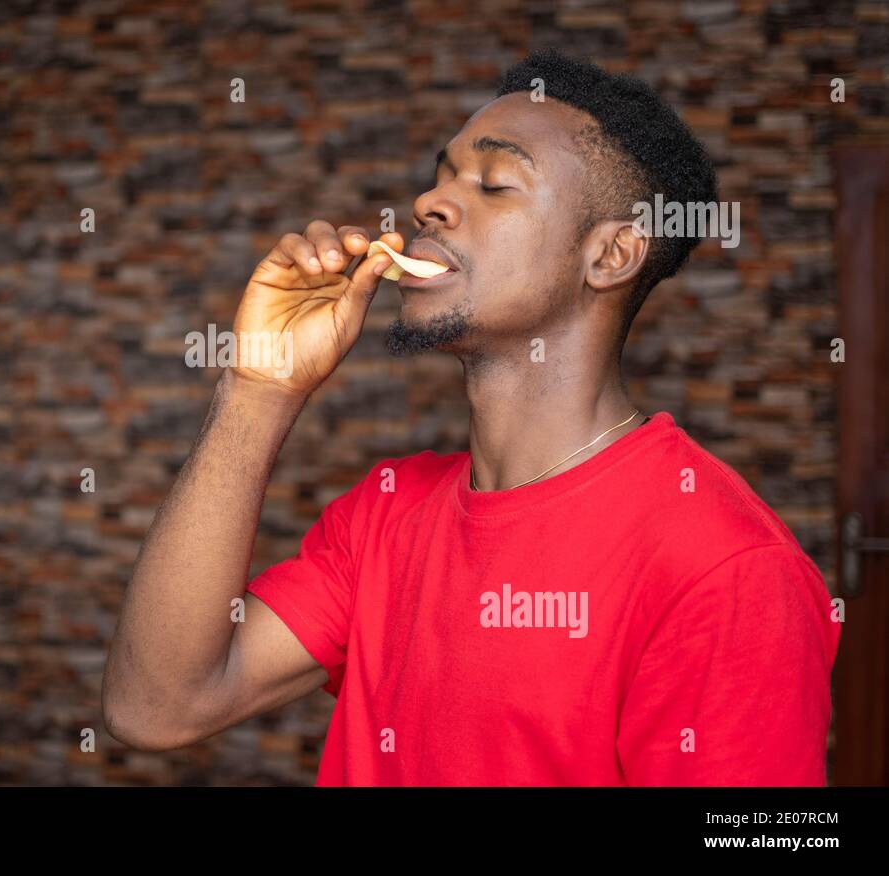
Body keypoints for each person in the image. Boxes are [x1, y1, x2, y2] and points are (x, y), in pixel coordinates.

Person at [101, 49, 841, 785]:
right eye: (441, 175)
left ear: (611, 254)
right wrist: (257, 388)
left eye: (494, 182)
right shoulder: (386, 514)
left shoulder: (727, 570)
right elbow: (157, 708)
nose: (430, 204)